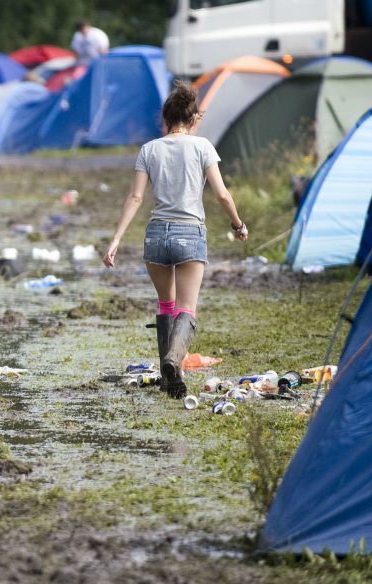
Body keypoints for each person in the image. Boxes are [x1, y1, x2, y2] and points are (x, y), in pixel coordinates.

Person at [102, 81, 248, 398]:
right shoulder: (203, 147)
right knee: (187, 309)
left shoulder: (149, 149)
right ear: (193, 118)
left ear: (166, 119)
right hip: (189, 233)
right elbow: (222, 195)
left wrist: (115, 239)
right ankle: (172, 359)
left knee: (166, 304)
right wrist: (237, 225)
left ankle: (171, 380)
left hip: (156, 235)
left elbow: (136, 197)